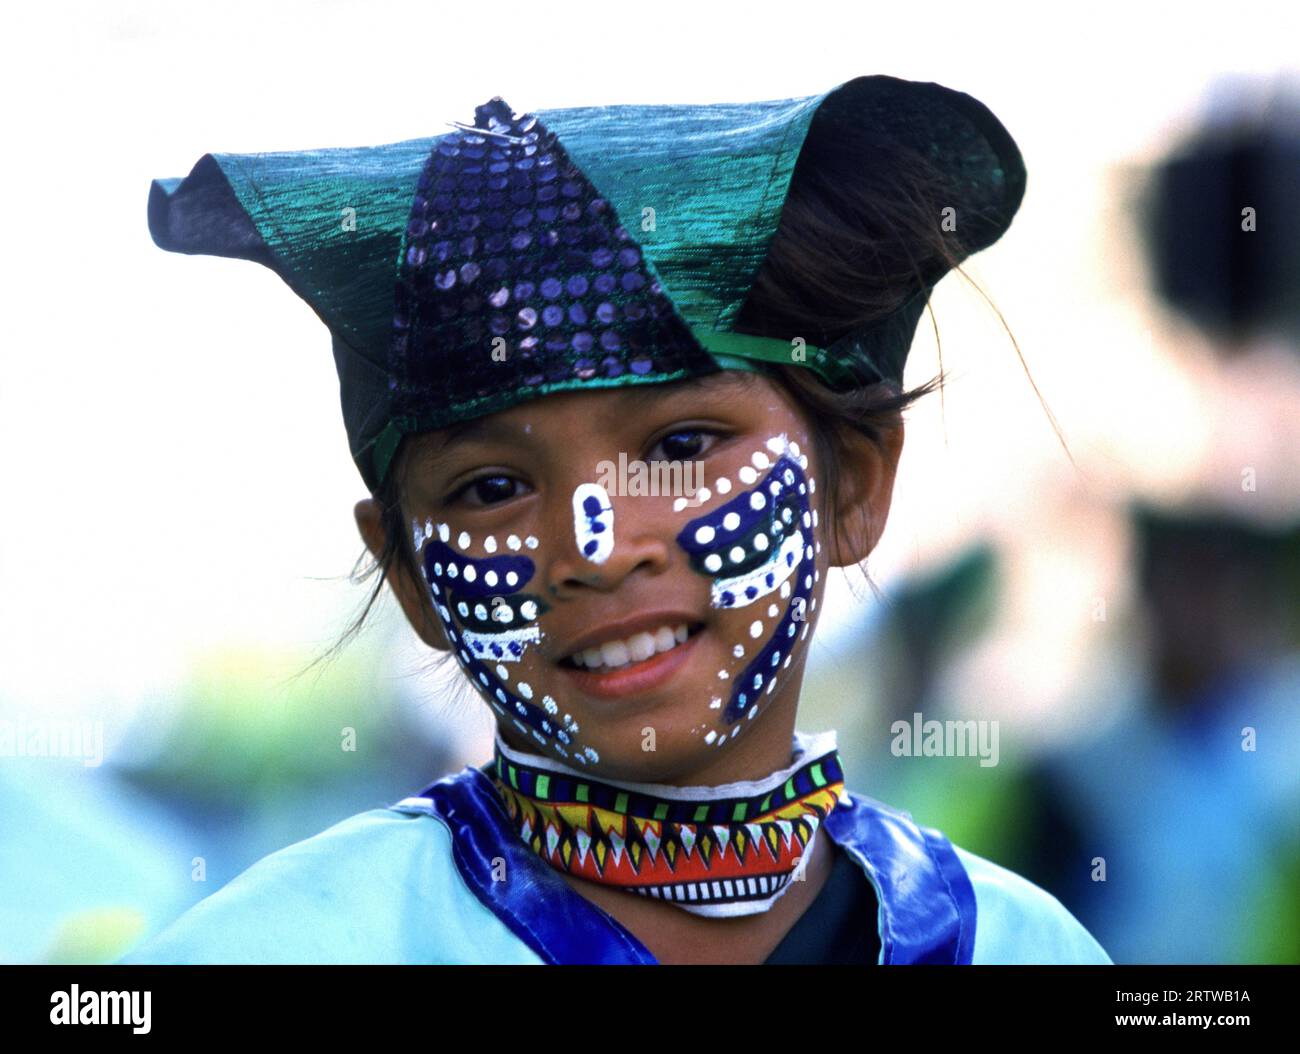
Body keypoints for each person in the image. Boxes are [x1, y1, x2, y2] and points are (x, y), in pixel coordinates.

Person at [118, 74, 1111, 965]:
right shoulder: (292, 948)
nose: (594, 547)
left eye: (681, 447)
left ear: (850, 485)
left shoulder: (1016, 945)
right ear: (411, 573)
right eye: (491, 488)